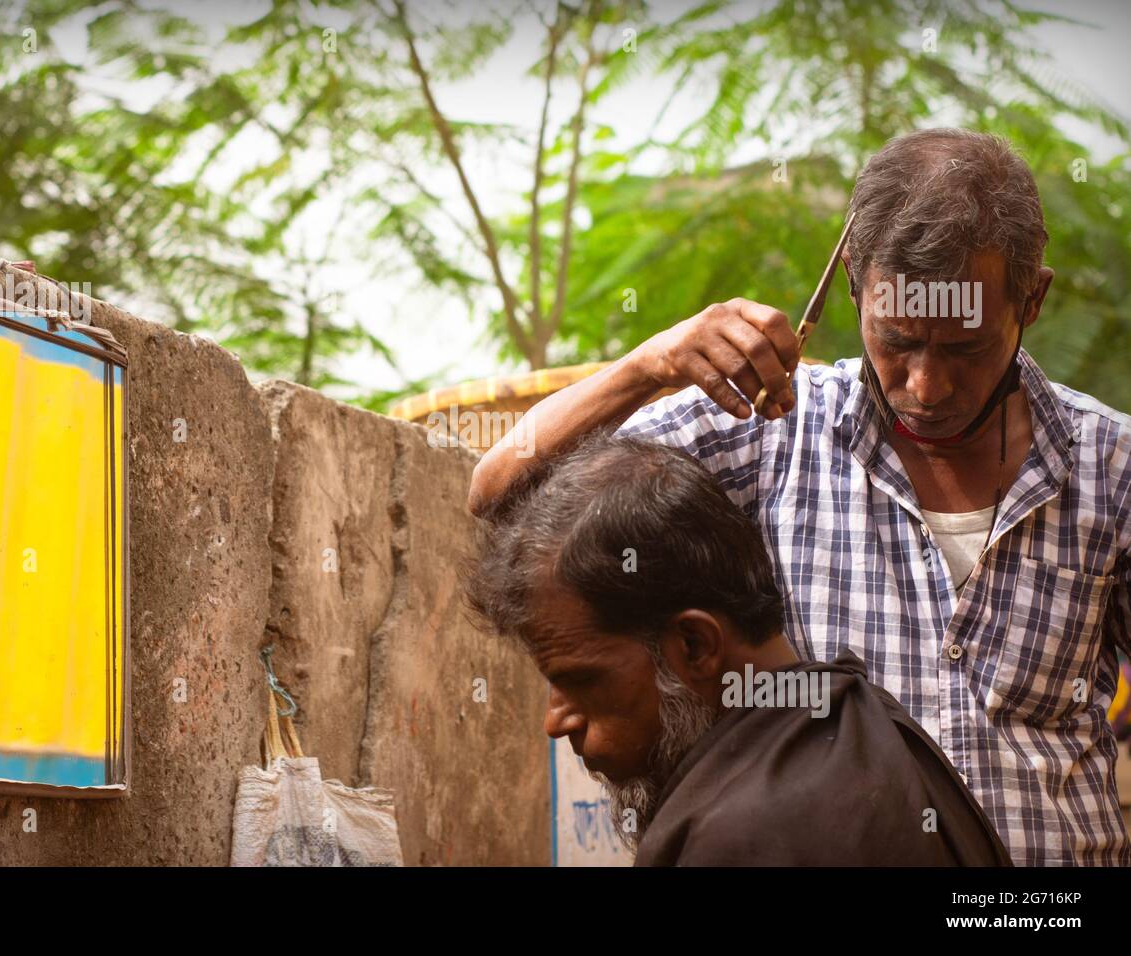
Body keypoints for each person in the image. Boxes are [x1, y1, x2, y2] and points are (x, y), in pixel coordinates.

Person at [468, 128, 1131, 866]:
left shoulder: (1113, 468)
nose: (925, 387)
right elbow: (502, 492)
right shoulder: (768, 427)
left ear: (1031, 299)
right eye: (898, 341)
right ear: (854, 283)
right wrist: (648, 367)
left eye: (964, 348)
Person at [464, 431, 1012, 865]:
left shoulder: (742, 836)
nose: (556, 722)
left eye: (581, 680)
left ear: (694, 644)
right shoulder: (872, 724)